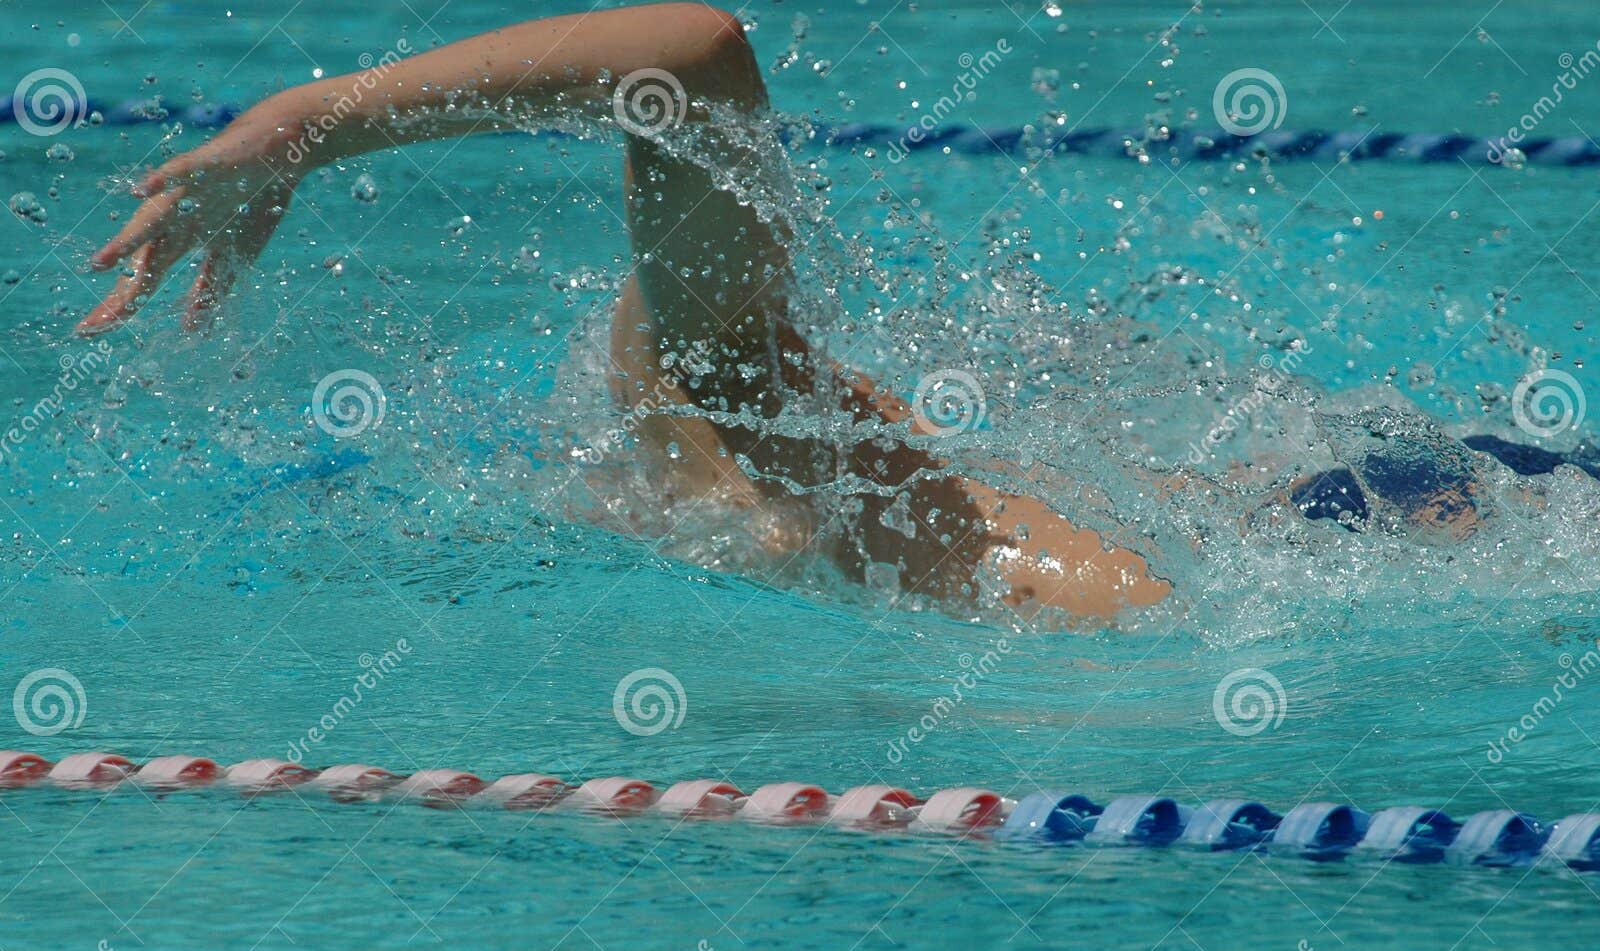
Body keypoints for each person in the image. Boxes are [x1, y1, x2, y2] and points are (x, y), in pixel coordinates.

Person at [78, 4, 1580, 618]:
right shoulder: (696, 412)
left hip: (1256, 545)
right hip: (1335, 501)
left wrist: (303, 127)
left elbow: (698, 48)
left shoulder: (728, 409)